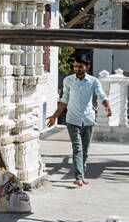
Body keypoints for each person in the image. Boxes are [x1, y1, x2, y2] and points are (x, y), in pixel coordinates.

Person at [47, 57, 112, 186]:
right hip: (72, 119)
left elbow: (101, 95)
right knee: (77, 148)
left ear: (87, 67)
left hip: (88, 119)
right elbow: (64, 100)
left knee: (85, 151)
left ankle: (81, 175)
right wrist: (54, 116)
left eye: (80, 67)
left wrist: (107, 106)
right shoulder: (68, 80)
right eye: (75, 66)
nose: (77, 69)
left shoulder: (93, 81)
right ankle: (79, 177)